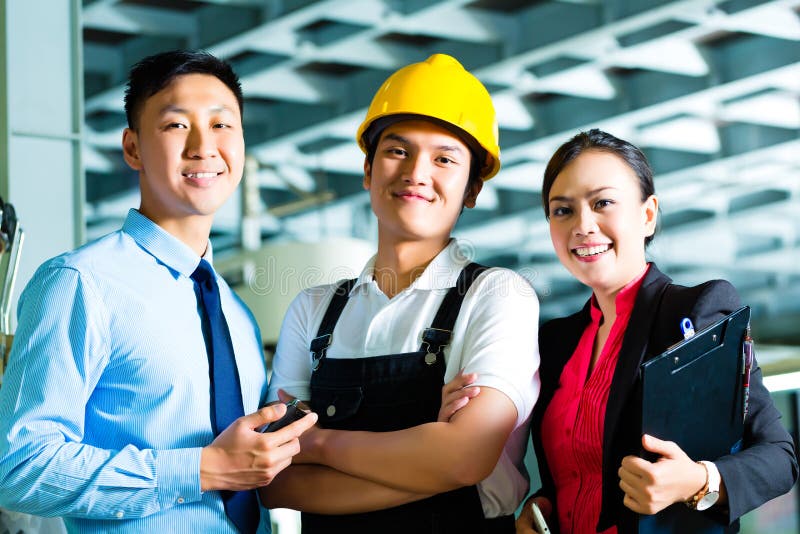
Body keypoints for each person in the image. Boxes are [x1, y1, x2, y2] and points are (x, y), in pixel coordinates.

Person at [0, 50, 316, 533]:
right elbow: (21, 469)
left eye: (221, 125)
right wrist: (199, 469)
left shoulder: (236, 316)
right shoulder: (81, 284)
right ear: (132, 149)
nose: (203, 146)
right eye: (175, 126)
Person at [444, 128, 797, 533]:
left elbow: (778, 456)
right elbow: (575, 474)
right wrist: (541, 506)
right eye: (563, 211)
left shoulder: (696, 311)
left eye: (603, 203)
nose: (583, 225)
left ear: (647, 215)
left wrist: (699, 481)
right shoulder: (554, 341)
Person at [258, 53, 540, 533]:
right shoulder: (313, 309)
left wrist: (320, 444)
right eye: (397, 150)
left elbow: (467, 458)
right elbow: (276, 483)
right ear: (368, 171)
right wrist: (431, 454)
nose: (416, 173)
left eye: (444, 159)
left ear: (472, 188)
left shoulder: (496, 295)